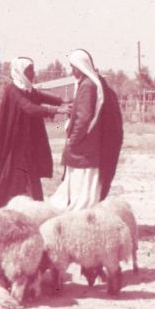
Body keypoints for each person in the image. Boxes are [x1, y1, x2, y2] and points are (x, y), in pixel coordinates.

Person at [0, 57, 70, 209]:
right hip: (12, 146)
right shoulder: (12, 90)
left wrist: (63, 101)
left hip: (27, 146)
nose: (32, 73)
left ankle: (33, 207)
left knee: (30, 179)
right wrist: (57, 110)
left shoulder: (28, 89)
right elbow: (28, 107)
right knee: (9, 179)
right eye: (29, 70)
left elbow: (42, 96)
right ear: (20, 72)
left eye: (33, 69)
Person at [50, 49, 124, 211]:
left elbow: (84, 119)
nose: (72, 71)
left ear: (80, 66)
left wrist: (73, 140)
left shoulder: (87, 85)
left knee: (81, 186)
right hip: (89, 145)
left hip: (83, 146)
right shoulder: (91, 83)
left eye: (73, 67)